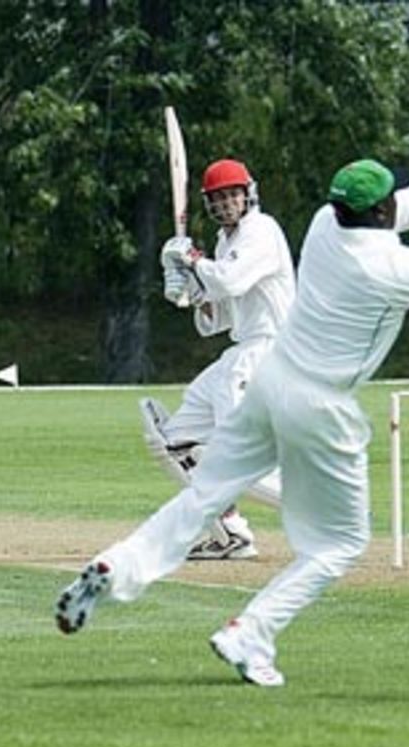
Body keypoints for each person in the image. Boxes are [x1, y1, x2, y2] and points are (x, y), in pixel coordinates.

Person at [56, 141, 409, 686]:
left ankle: (116, 565)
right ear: (380, 211)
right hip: (321, 404)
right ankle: (251, 632)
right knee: (340, 544)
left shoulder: (323, 221)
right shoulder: (393, 266)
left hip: (272, 379)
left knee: (205, 494)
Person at [139, 158, 295, 560]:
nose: (227, 203)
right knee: (173, 440)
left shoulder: (262, 230)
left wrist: (191, 260)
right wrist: (190, 290)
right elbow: (216, 319)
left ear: (248, 195)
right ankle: (229, 532)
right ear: (209, 204)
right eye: (219, 198)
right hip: (243, 351)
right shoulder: (226, 243)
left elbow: (231, 279)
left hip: (271, 348)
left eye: (232, 195)